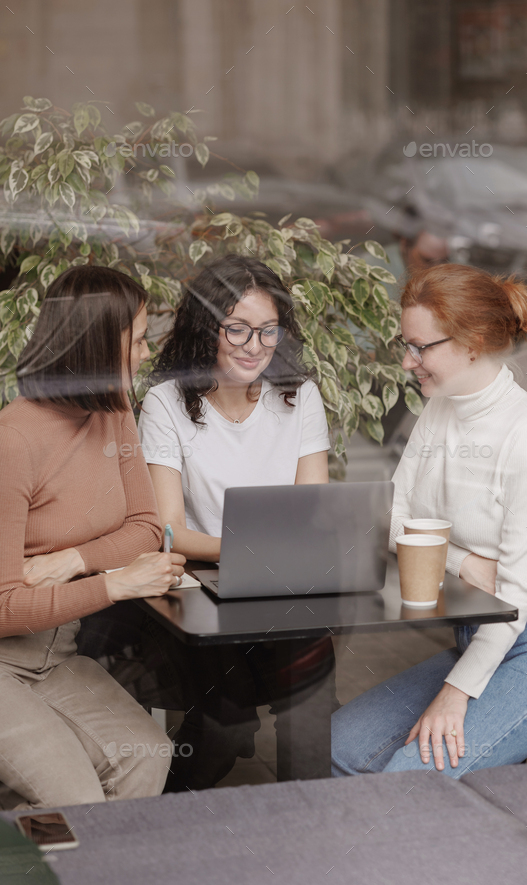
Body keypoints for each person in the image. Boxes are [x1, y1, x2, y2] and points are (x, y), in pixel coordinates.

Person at [332, 262, 527, 778]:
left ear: (473, 343)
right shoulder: (440, 409)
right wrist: (465, 562)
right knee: (339, 746)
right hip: (482, 628)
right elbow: (392, 516)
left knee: (412, 776)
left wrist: (454, 694)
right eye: (405, 345)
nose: (407, 362)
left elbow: (517, 596)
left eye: (420, 347)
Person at [137, 254, 334, 790]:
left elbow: (312, 510)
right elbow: (169, 532)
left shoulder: (299, 395)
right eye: (238, 329)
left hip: (282, 588)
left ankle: (311, 820)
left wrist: (277, 559)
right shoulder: (166, 403)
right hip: (200, 590)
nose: (255, 345)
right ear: (207, 328)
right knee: (226, 723)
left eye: (269, 330)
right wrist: (253, 553)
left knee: (311, 707)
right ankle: (161, 815)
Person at [0, 265, 186, 810]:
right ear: (99, 345)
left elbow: (147, 527)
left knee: (147, 754)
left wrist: (72, 559)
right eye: (140, 340)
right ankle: (39, 850)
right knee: (75, 799)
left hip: (56, 656)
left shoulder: (112, 409)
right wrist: (113, 585)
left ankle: (80, 853)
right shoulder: (13, 442)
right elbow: (3, 607)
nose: (147, 353)